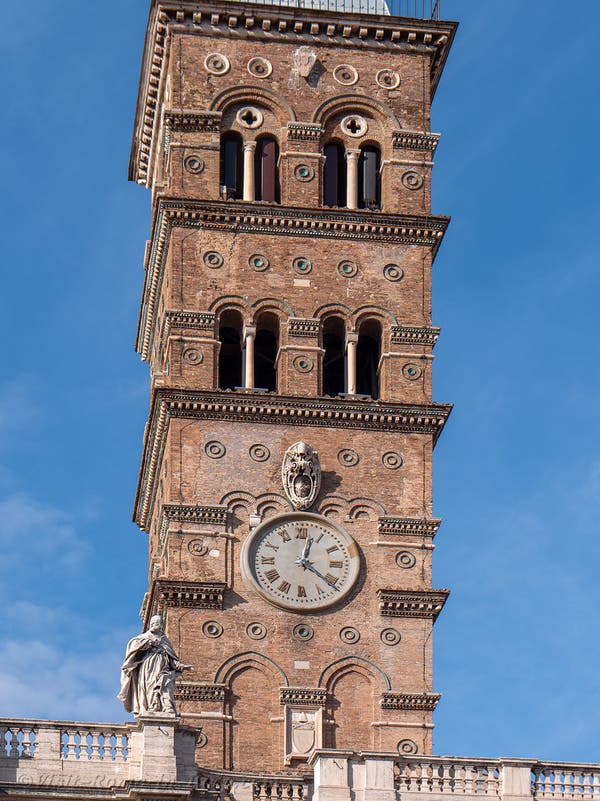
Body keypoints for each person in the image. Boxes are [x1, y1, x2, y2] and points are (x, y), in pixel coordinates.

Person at [118, 615, 192, 716]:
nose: (154, 624)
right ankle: (151, 706)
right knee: (150, 686)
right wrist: (146, 644)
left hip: (163, 665)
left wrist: (182, 666)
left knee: (163, 684)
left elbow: (171, 658)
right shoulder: (143, 637)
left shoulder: (165, 639)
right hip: (148, 665)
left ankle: (161, 706)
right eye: (152, 623)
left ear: (161, 625)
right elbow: (133, 646)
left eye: (157, 623)